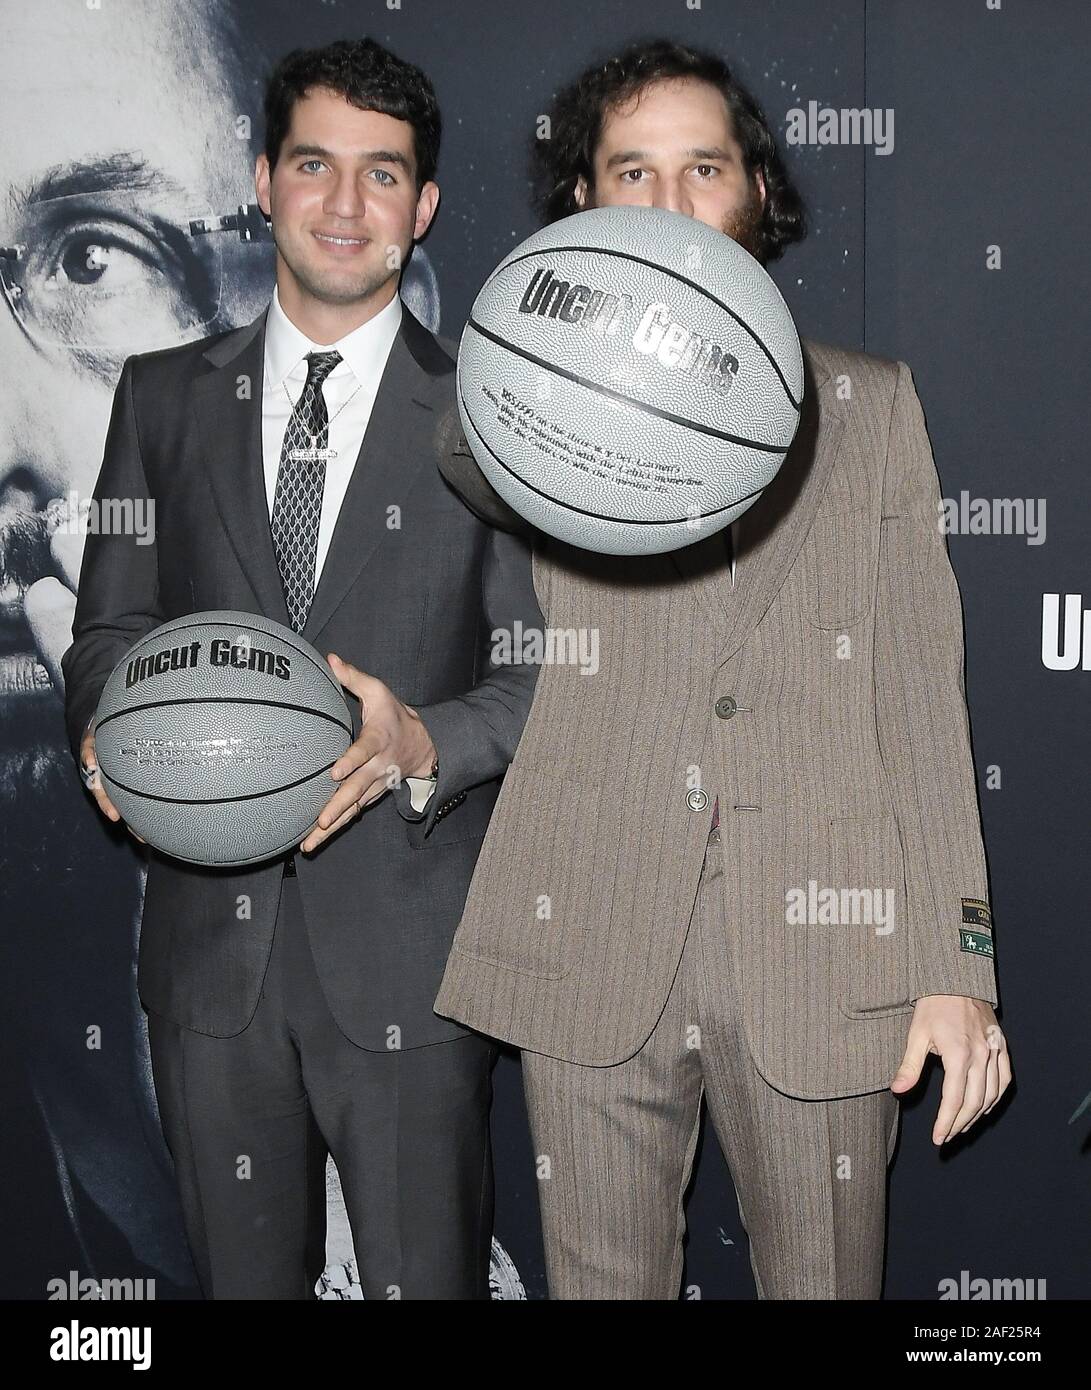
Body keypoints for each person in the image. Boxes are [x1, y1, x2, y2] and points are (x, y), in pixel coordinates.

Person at [435, 38, 1012, 1300]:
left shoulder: (874, 410)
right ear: (584, 204)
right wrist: (558, 330)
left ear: (752, 190)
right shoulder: (528, 408)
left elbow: (919, 706)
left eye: (701, 168)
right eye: (629, 172)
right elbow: (458, 451)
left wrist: (954, 965)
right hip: (588, 936)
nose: (669, 201)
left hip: (827, 957)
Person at [63, 36, 542, 1300]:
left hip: (410, 960)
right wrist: (108, 728)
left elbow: (544, 678)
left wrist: (419, 742)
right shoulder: (160, 401)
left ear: (423, 207)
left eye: (382, 176)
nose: (343, 205)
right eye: (315, 165)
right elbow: (106, 631)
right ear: (261, 180)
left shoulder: (489, 423)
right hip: (208, 966)